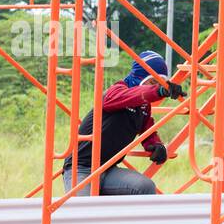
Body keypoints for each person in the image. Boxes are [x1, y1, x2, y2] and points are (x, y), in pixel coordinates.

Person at [62, 50, 186, 197]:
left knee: (145, 187)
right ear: (139, 77)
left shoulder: (144, 106)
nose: (154, 87)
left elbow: (147, 128)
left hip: (108, 169)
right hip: (81, 168)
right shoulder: (116, 91)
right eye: (152, 81)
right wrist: (157, 91)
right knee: (83, 214)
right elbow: (129, 96)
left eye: (159, 83)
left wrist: (156, 145)